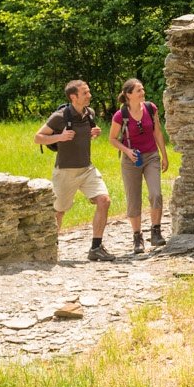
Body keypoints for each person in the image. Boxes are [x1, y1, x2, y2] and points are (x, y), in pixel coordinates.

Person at [34, 79, 118, 262]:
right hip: (65, 171)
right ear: (73, 97)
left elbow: (82, 136)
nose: (89, 95)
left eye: (88, 92)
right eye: (85, 93)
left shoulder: (90, 113)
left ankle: (96, 248)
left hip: (87, 169)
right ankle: (50, 248)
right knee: (59, 211)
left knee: (104, 200)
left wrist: (91, 134)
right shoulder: (60, 116)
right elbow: (38, 138)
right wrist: (60, 136)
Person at [108, 77, 171, 254]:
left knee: (156, 193)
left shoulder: (151, 108)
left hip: (151, 156)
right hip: (131, 160)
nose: (143, 92)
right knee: (133, 199)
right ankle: (137, 237)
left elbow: (157, 132)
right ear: (129, 95)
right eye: (139, 90)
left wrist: (164, 156)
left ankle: (156, 231)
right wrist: (126, 151)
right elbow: (112, 139)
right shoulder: (121, 115)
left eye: (142, 89)